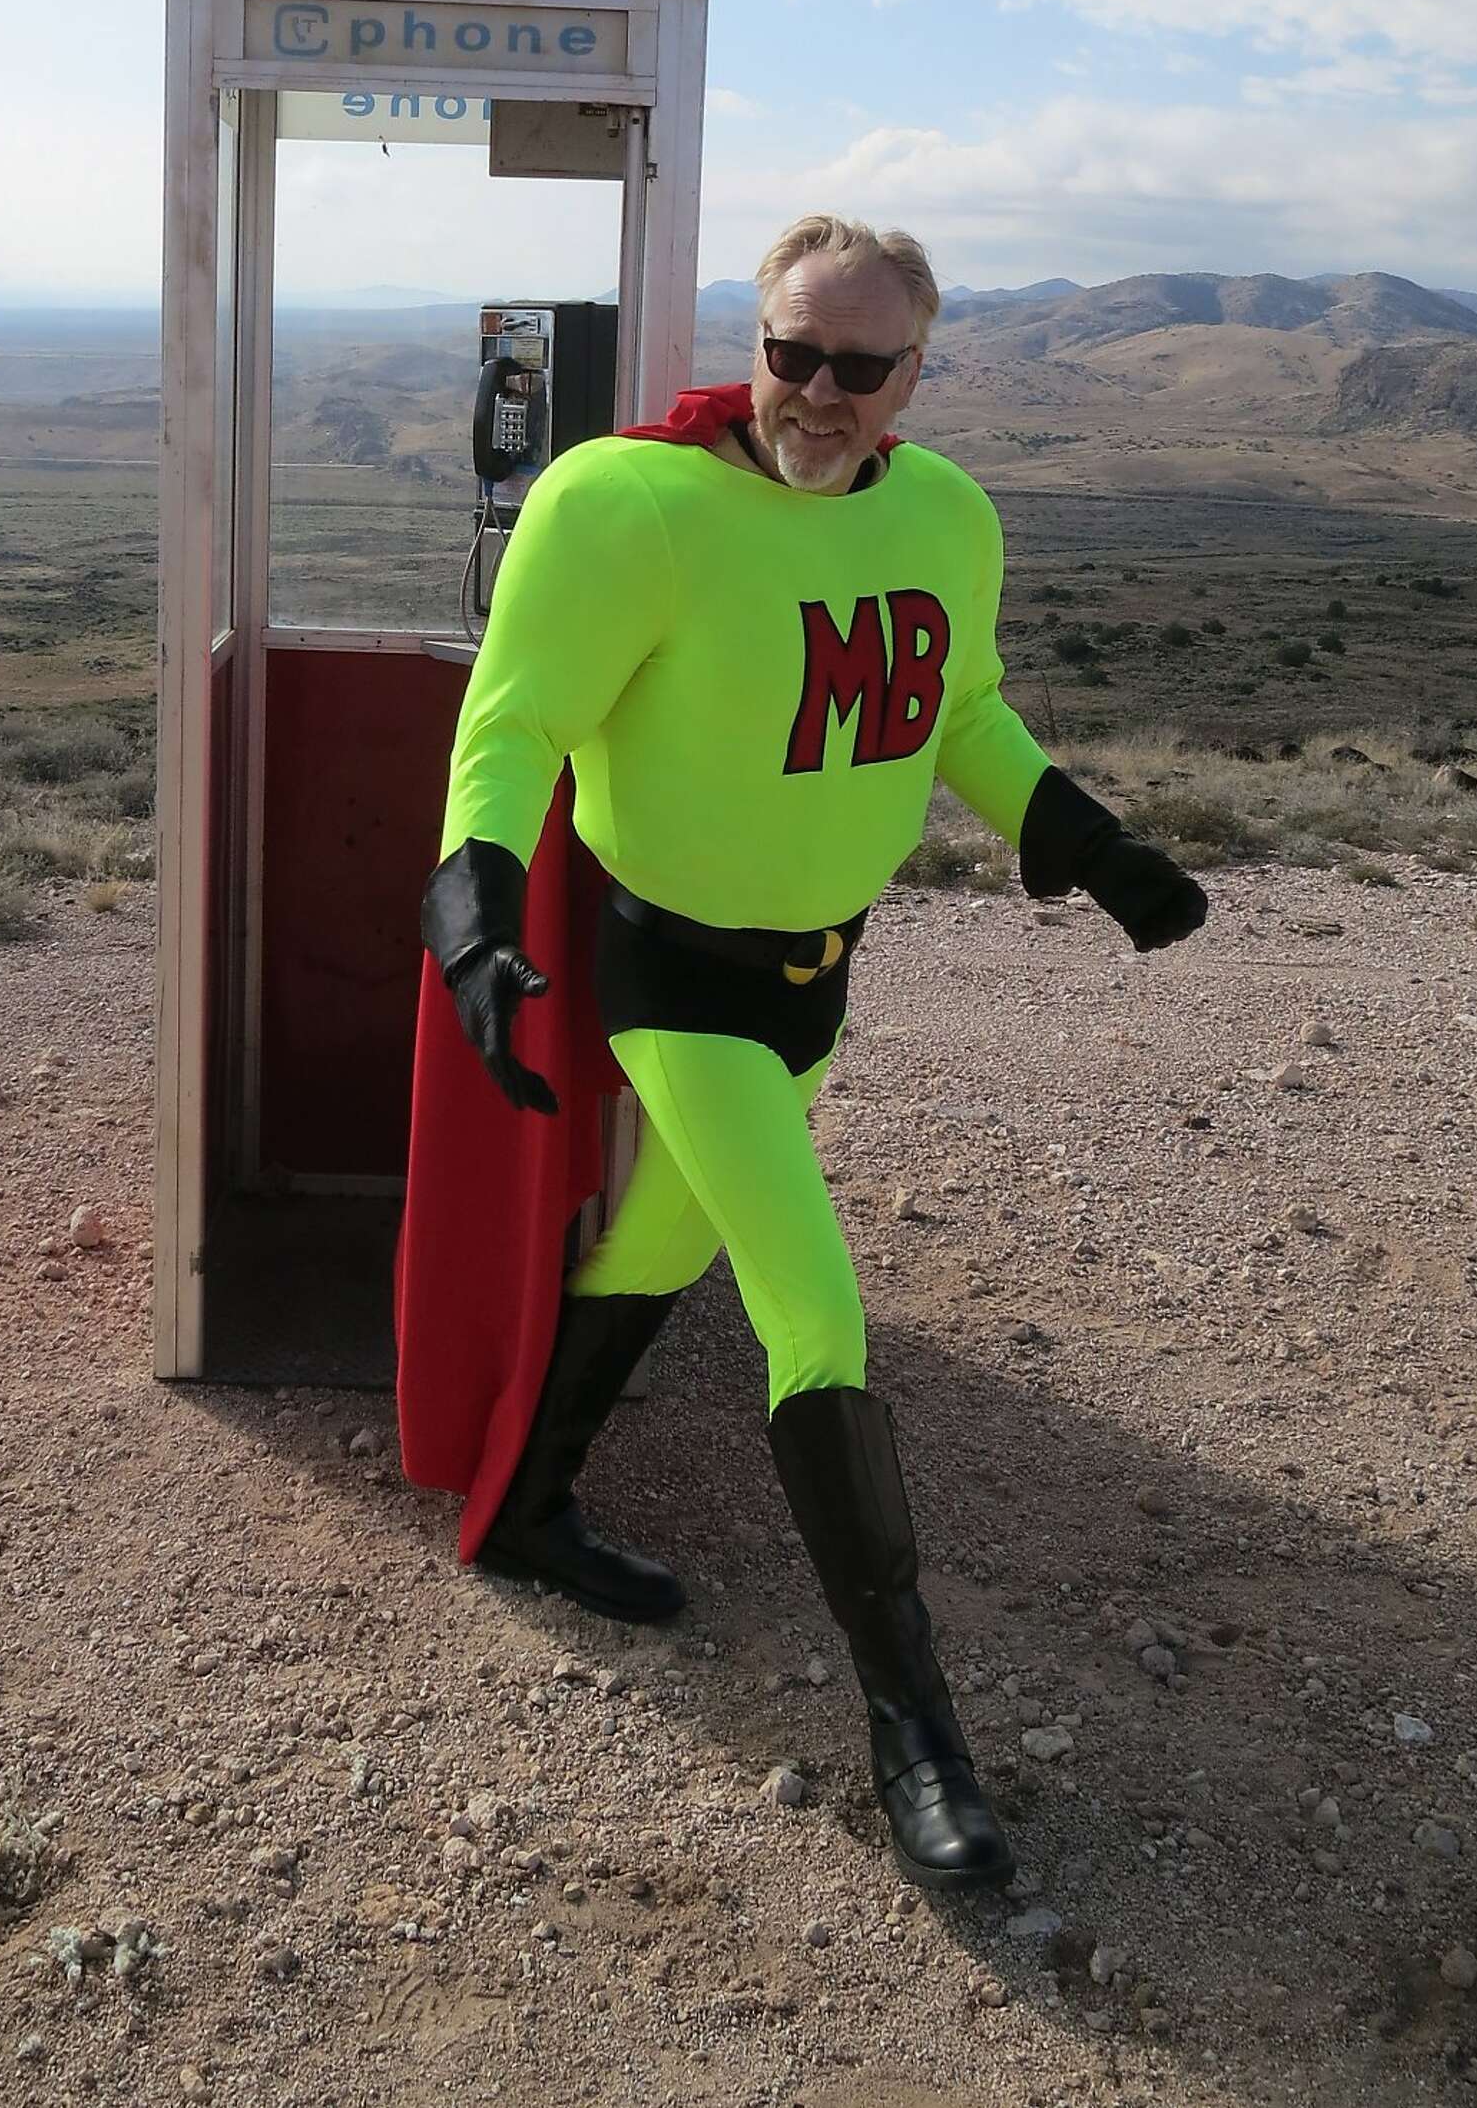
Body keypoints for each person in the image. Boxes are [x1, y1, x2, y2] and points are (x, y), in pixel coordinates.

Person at [412, 213, 1208, 1890]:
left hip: (814, 983)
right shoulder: (629, 508)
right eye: (792, 352)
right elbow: (515, 722)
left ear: (918, 372)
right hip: (671, 976)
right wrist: (475, 916)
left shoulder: (945, 515)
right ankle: (915, 1727)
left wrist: (1086, 841)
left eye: (862, 365)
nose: (818, 392)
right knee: (815, 1311)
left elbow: (960, 710)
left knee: (655, 1243)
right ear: (752, 335)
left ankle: (536, 1507)